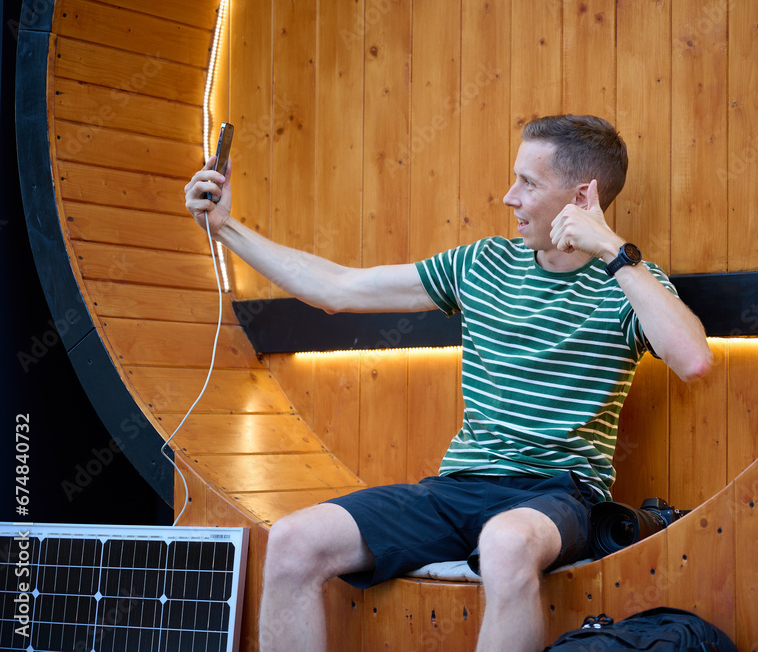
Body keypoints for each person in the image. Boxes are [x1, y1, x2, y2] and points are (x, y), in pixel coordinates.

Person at [184, 114, 712, 652]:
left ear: (582, 196)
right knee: (294, 540)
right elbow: (337, 288)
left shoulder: (631, 283)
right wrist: (225, 227)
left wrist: (615, 252)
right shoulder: (483, 263)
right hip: (458, 486)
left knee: (506, 543)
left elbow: (692, 359)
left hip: (559, 493)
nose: (510, 197)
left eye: (528, 183)